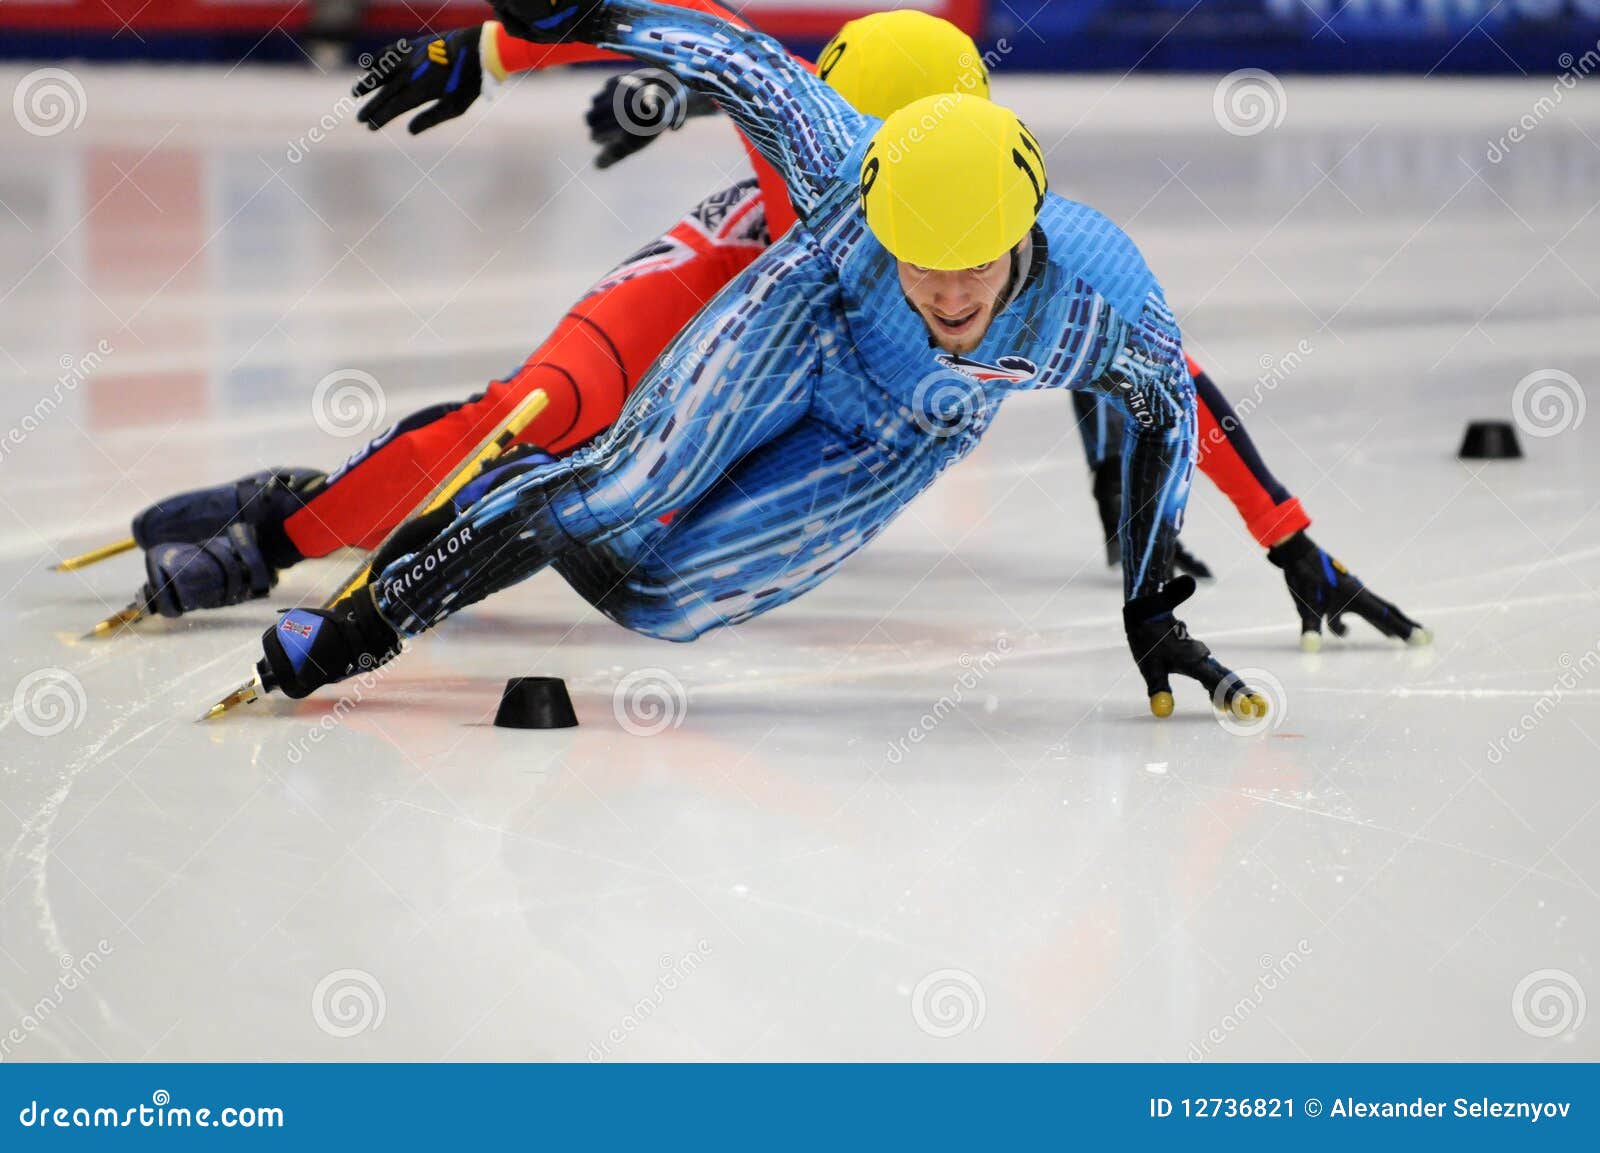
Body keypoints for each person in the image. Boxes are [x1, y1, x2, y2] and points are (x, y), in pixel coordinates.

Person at [134, 8, 1425, 656]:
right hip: (731, 278)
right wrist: (500, 51)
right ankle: (279, 529)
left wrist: (1261, 530)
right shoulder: (824, 140)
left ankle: (356, 530)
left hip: (830, 361)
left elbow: (1139, 363)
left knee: (599, 505)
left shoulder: (963, 205)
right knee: (540, 414)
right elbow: (706, 47)